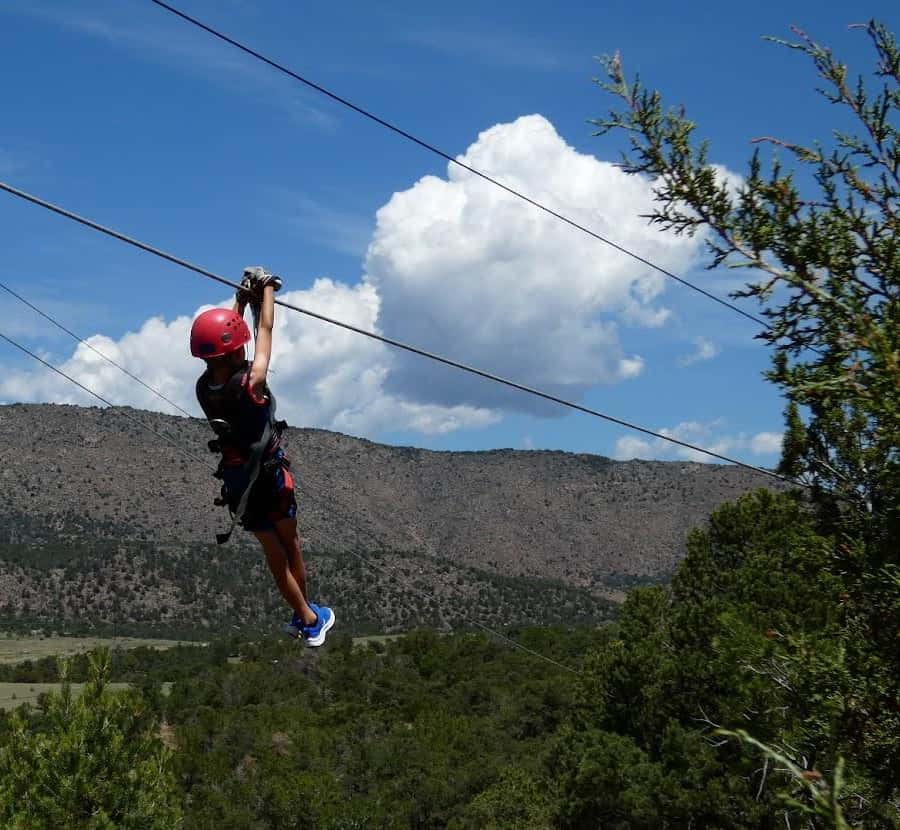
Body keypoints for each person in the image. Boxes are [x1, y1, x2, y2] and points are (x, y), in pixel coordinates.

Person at [189, 267, 334, 646]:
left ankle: (302, 614)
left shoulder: (204, 388)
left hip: (239, 483)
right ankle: (309, 618)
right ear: (238, 348)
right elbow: (265, 330)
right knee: (291, 545)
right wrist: (268, 289)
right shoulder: (251, 381)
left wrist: (240, 299)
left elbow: (225, 340)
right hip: (270, 479)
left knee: (273, 555)